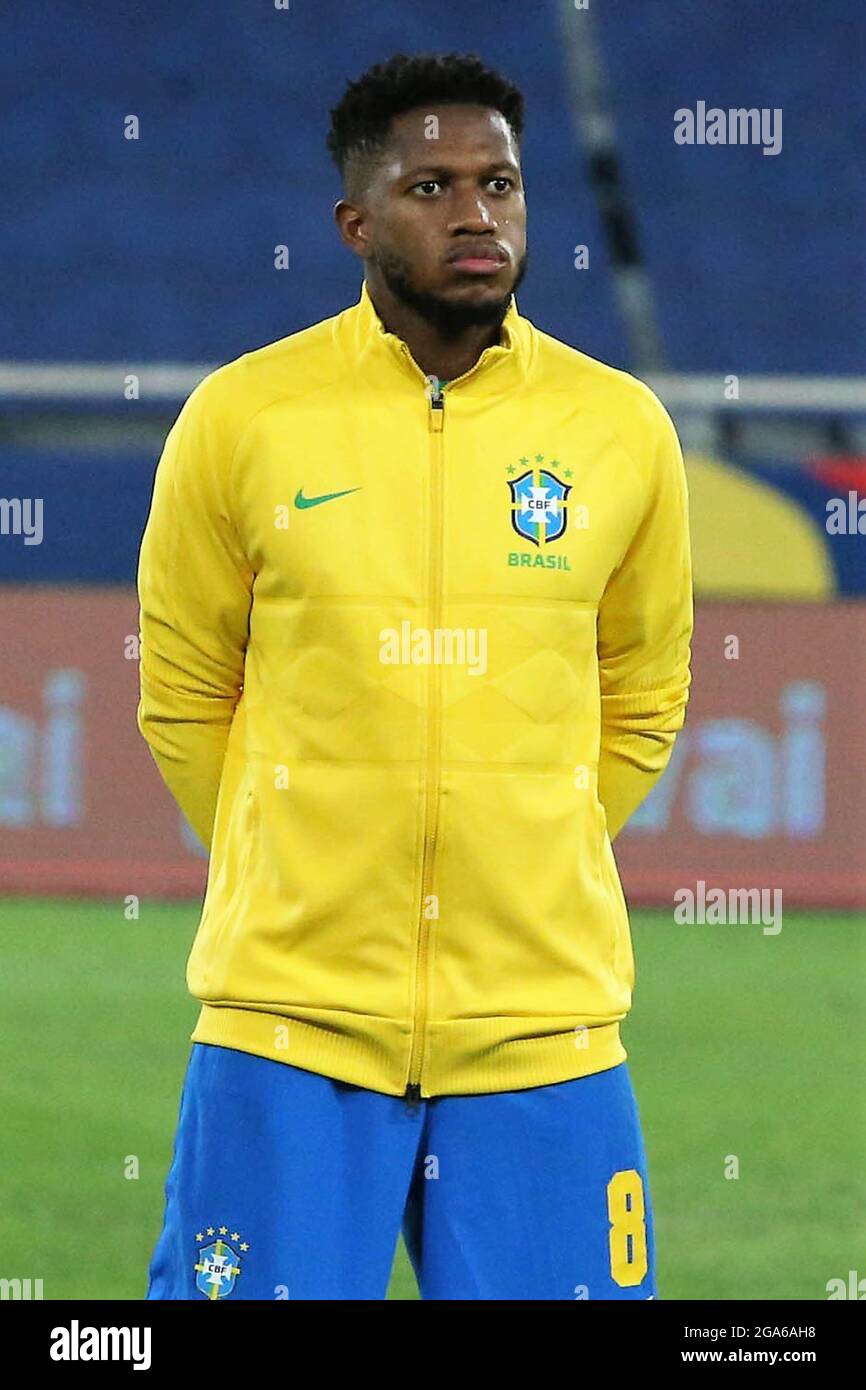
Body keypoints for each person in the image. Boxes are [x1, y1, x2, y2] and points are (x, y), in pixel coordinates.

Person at [138, 51, 693, 1301]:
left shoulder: (620, 429)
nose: (475, 214)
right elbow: (182, 694)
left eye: (498, 183)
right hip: (287, 1026)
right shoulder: (242, 418)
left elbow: (644, 691)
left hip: (541, 1030)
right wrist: (309, 854)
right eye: (431, 186)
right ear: (354, 222)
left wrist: (518, 839)